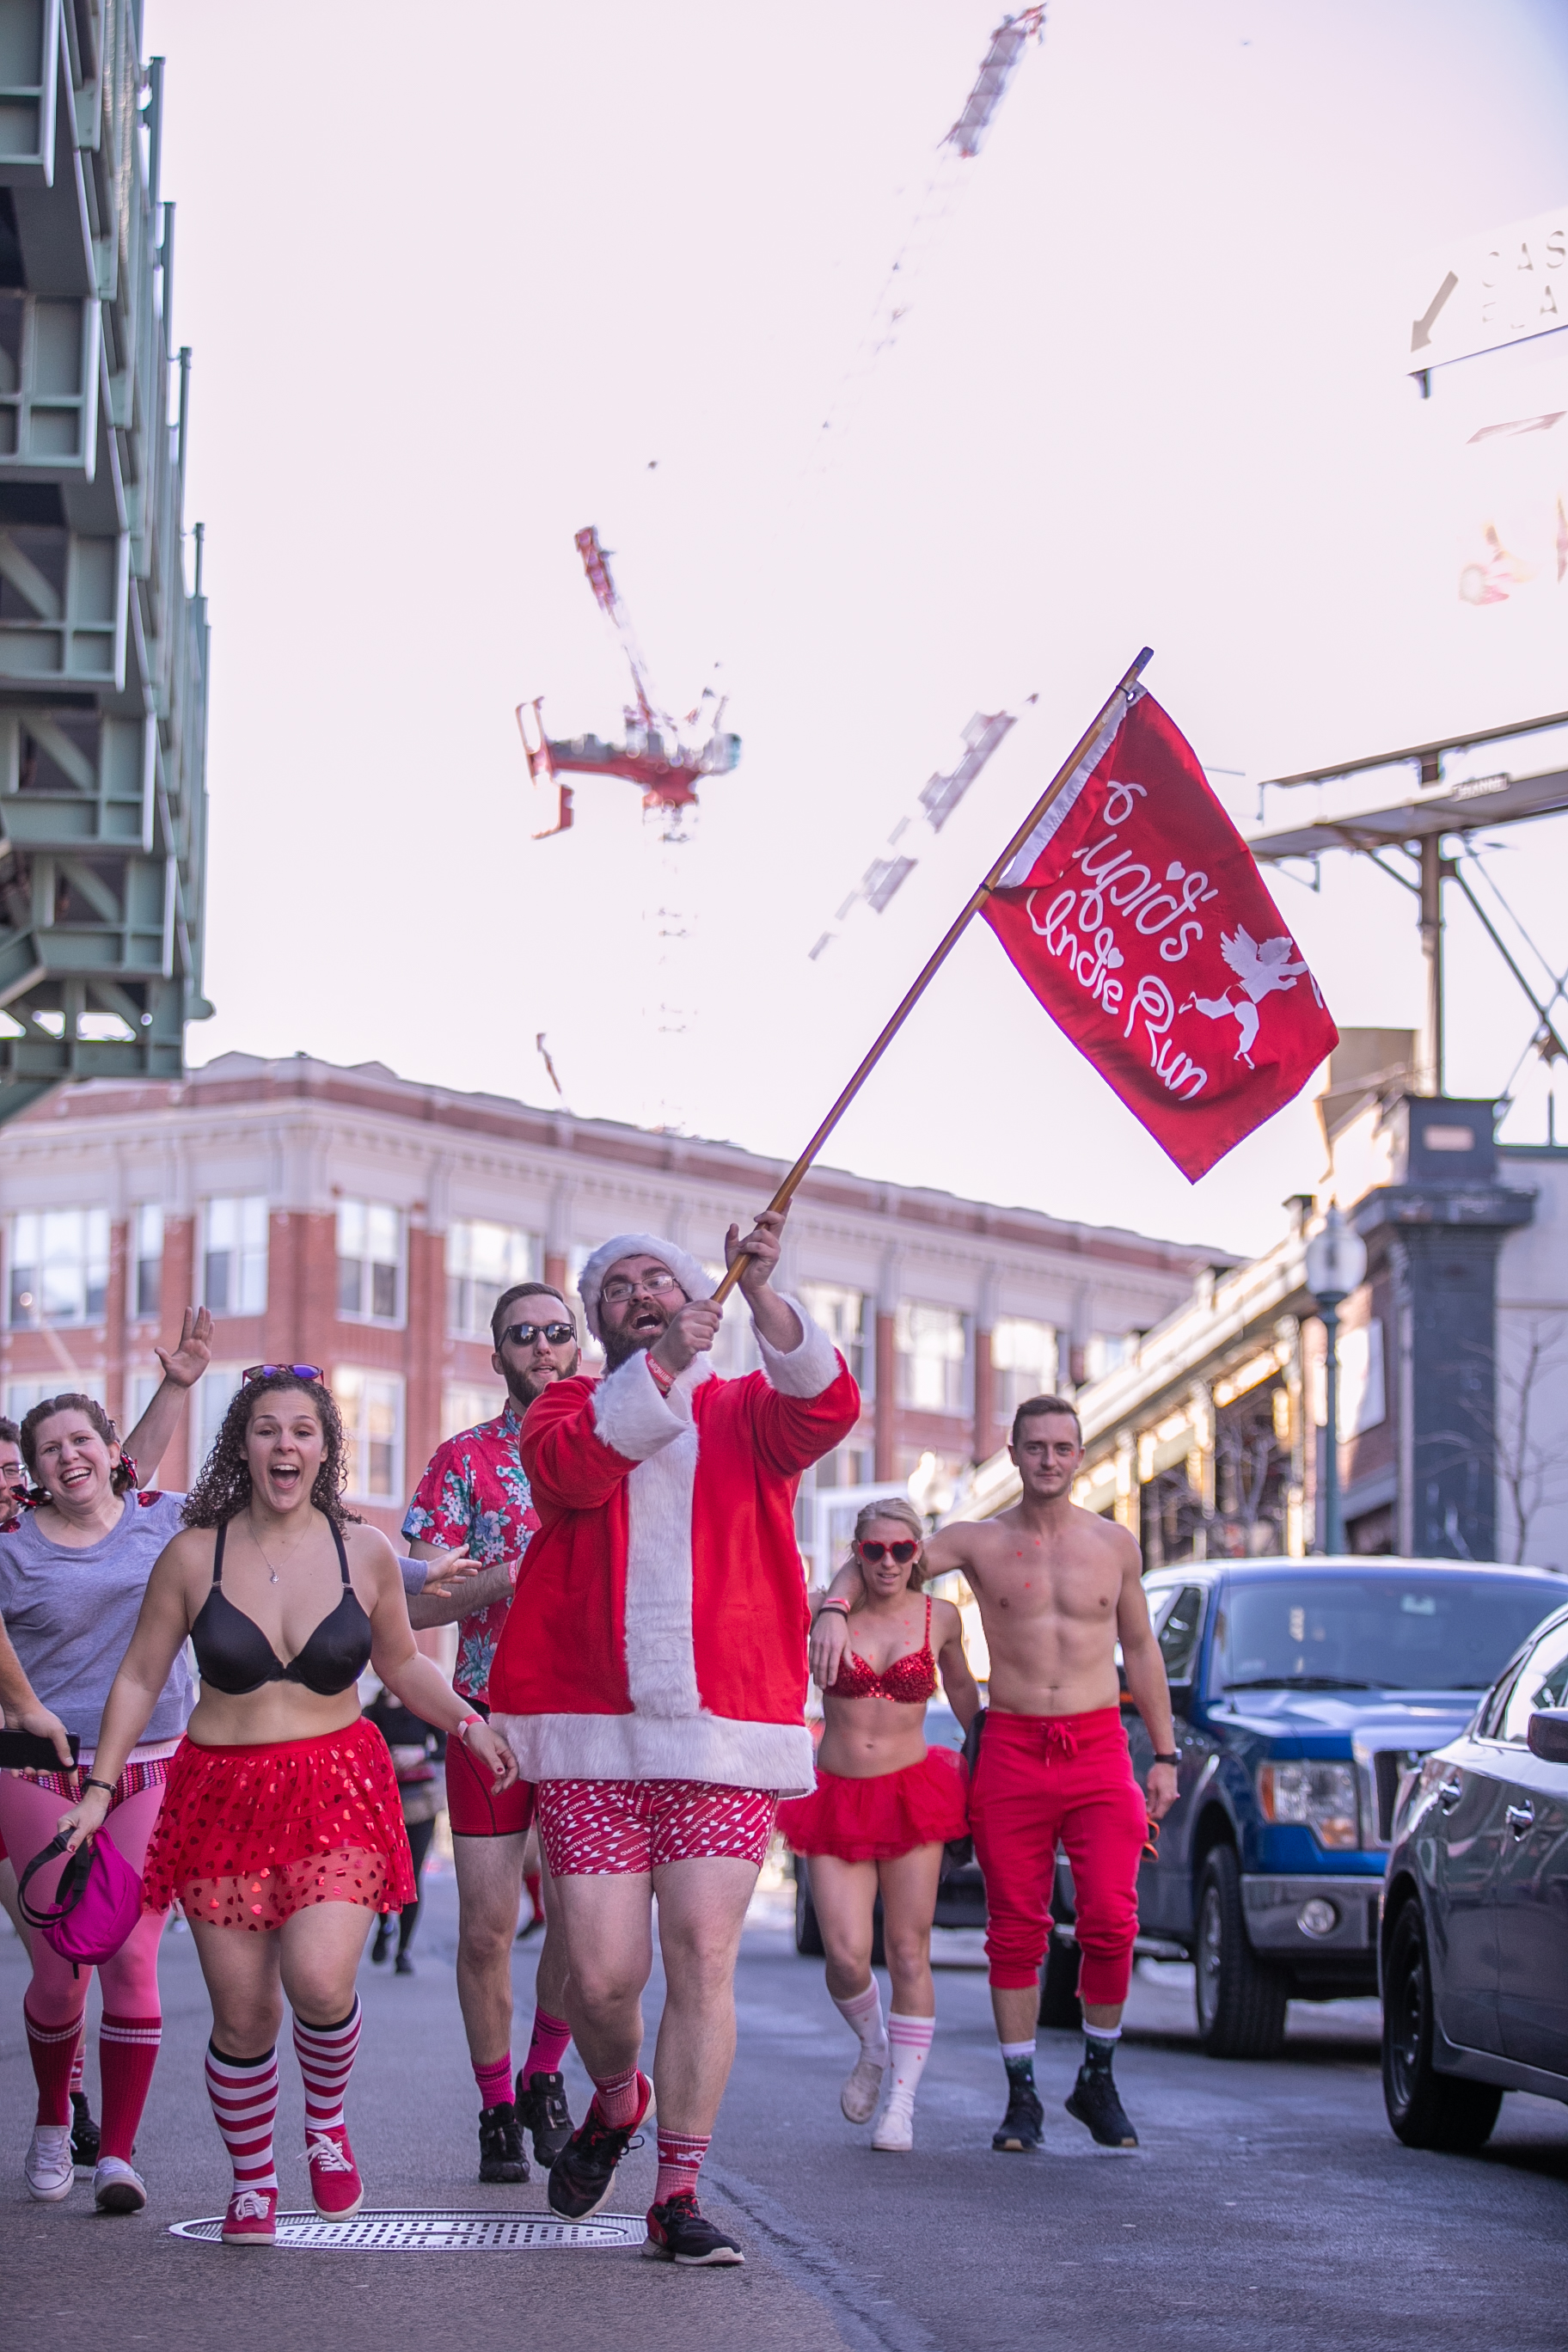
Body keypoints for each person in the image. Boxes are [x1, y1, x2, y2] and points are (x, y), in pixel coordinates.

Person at [52, 1369, 518, 2248]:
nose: (285, 1446)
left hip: (335, 1784)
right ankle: (254, 2178)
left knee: (318, 1981)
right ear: (243, 1446)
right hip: (219, 1795)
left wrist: (466, 1723)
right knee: (243, 2014)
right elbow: (142, 1677)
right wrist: (98, 1792)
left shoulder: (364, 1551)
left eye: (302, 1431)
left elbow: (403, 1664)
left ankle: (327, 2126)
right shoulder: (194, 1555)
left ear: (324, 1449)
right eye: (266, 1430)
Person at [487, 1210, 860, 2266]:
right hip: (595, 1732)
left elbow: (829, 1401)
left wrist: (768, 1293)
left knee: (701, 1956)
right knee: (599, 1979)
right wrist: (657, 1366)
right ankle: (618, 2096)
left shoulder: (749, 1410)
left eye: (659, 1279)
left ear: (701, 1293)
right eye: (617, 1288)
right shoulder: (563, 1404)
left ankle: (679, 2191)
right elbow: (569, 1476)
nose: (640, 1292)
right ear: (600, 1320)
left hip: (721, 1734)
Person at [812, 1393, 1179, 2155]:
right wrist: (835, 1610)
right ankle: (1022, 2098)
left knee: (1112, 1923)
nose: (1048, 1458)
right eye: (1034, 1446)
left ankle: (1098, 2076)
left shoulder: (1115, 1544)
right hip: (1010, 1746)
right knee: (1016, 1930)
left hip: (1100, 1745)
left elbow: (1142, 1651)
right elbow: (886, 1551)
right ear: (1012, 1455)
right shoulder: (976, 1541)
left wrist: (1166, 1755)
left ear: (1080, 1455)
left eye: (1062, 1446)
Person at [0, 1314, 217, 2213]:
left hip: (152, 1766)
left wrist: (178, 1383)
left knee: (130, 1955)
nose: (66, 1457)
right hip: (39, 1768)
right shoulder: (10, 1546)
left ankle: (119, 2155)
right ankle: (56, 2117)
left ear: (110, 1450)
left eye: (81, 1439)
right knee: (59, 1968)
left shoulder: (164, 1519)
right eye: (47, 1449)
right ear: (33, 1467)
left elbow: (303, 1544)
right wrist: (22, 1703)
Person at [403, 1280, 581, 2184]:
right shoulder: (463, 1462)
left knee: (585, 1927)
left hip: (596, 1718)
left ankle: (544, 2070)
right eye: (524, 1334)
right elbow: (417, 1593)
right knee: (485, 1929)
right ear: (498, 1353)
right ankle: (495, 2108)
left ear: (579, 1342)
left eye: (557, 1331)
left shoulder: (623, 1449)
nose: (542, 1346)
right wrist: (512, 1572)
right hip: (488, 1714)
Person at [781, 1496, 978, 2152]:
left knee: (907, 1948)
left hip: (912, 1795)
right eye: (874, 1550)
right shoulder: (828, 1613)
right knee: (843, 1952)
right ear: (856, 1555)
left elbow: (965, 1698)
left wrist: (988, 1764)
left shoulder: (941, 1618)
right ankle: (871, 2043)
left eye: (901, 1550)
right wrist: (831, 1606)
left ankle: (903, 2102)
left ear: (918, 1554)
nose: (888, 1561)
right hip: (836, 1793)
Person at [363, 1682, 444, 1974]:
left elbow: (444, 1748)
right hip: (381, 1806)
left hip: (420, 1803)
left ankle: (404, 1951)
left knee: (412, 1874)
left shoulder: (420, 1709)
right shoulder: (371, 1713)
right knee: (383, 1875)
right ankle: (385, 1927)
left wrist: (419, 1754)